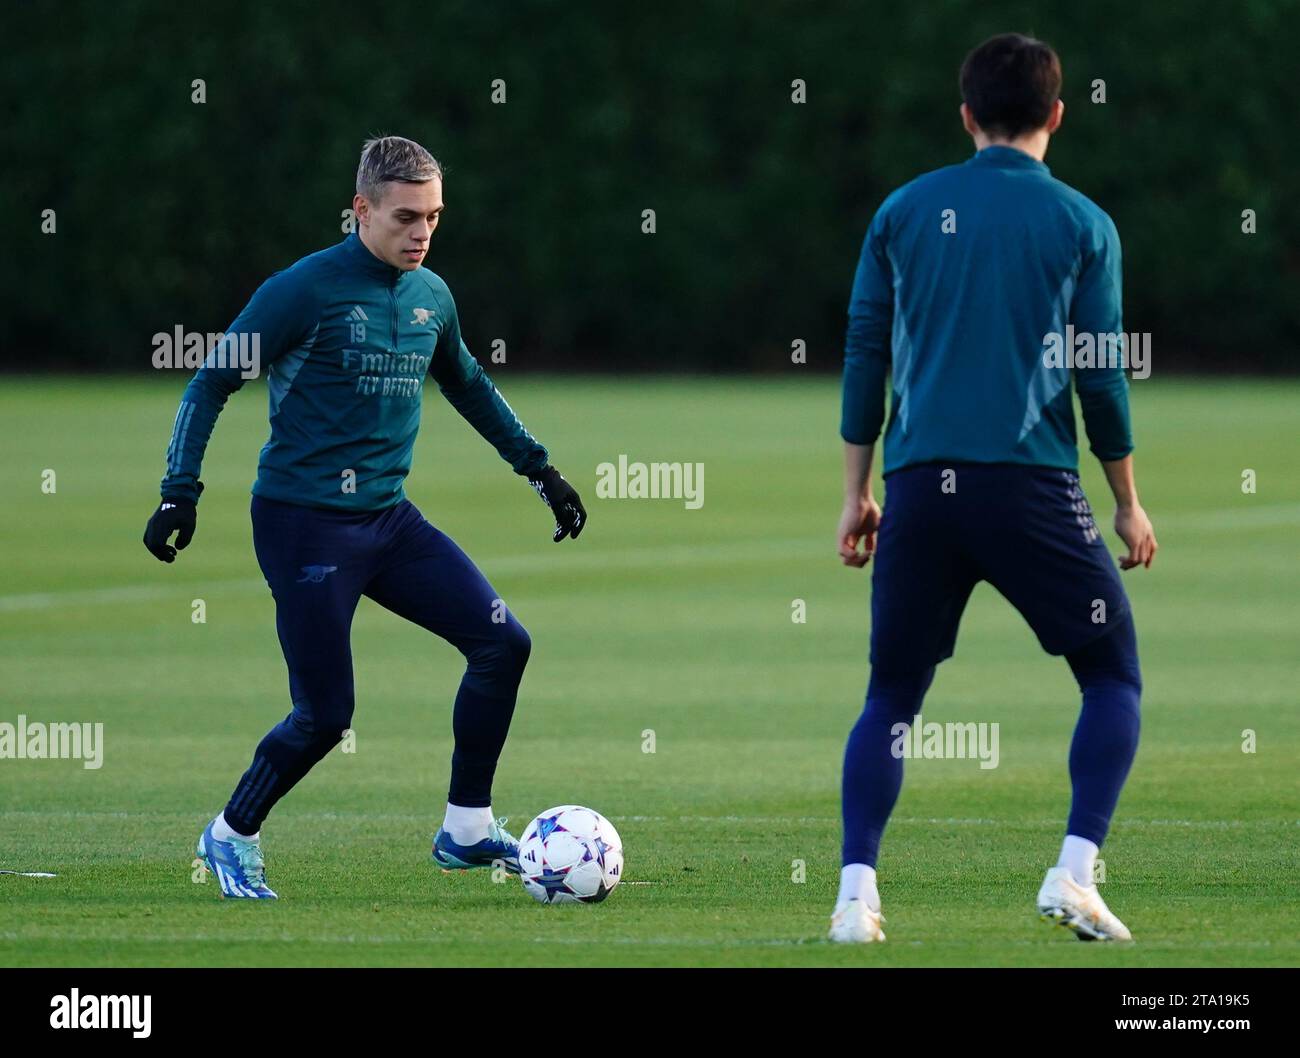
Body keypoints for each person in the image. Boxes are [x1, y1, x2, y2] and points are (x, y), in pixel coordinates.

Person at [144, 135, 586, 899]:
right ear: (360, 211)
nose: (422, 232)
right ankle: (229, 835)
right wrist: (179, 489)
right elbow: (210, 383)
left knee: (502, 643)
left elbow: (470, 384)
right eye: (407, 216)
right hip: (302, 525)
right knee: (324, 715)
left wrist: (539, 468)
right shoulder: (302, 290)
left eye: (435, 217)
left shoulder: (432, 297)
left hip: (388, 523)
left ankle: (467, 830)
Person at [831, 34, 1157, 943]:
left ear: (966, 114)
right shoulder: (1084, 224)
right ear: (1057, 113)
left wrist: (859, 491)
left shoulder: (904, 211)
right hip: (1034, 491)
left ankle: (856, 896)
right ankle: (1074, 872)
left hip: (920, 490)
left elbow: (865, 355)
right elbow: (1099, 375)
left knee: (891, 695)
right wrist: (1125, 498)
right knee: (1111, 675)